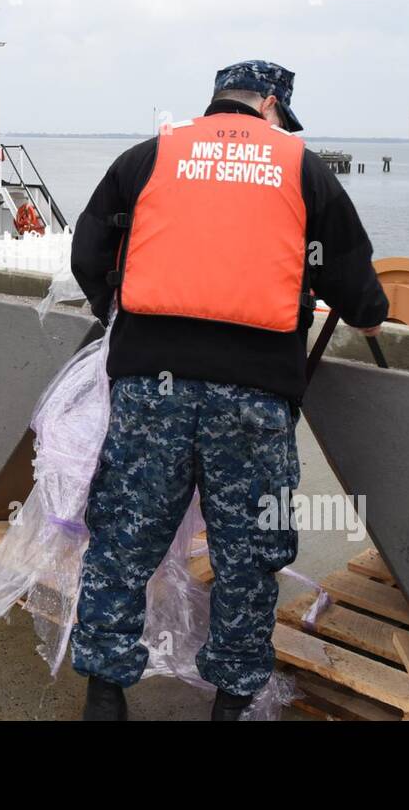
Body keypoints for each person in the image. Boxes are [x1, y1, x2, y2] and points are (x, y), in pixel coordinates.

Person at [68, 60, 389, 722]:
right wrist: (366, 309)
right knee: (248, 553)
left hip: (148, 387)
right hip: (254, 394)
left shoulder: (148, 157)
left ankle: (105, 694)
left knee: (124, 539)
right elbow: (359, 296)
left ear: (217, 103)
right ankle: (233, 703)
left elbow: (87, 250)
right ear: (270, 105)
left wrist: (117, 314)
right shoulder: (303, 169)